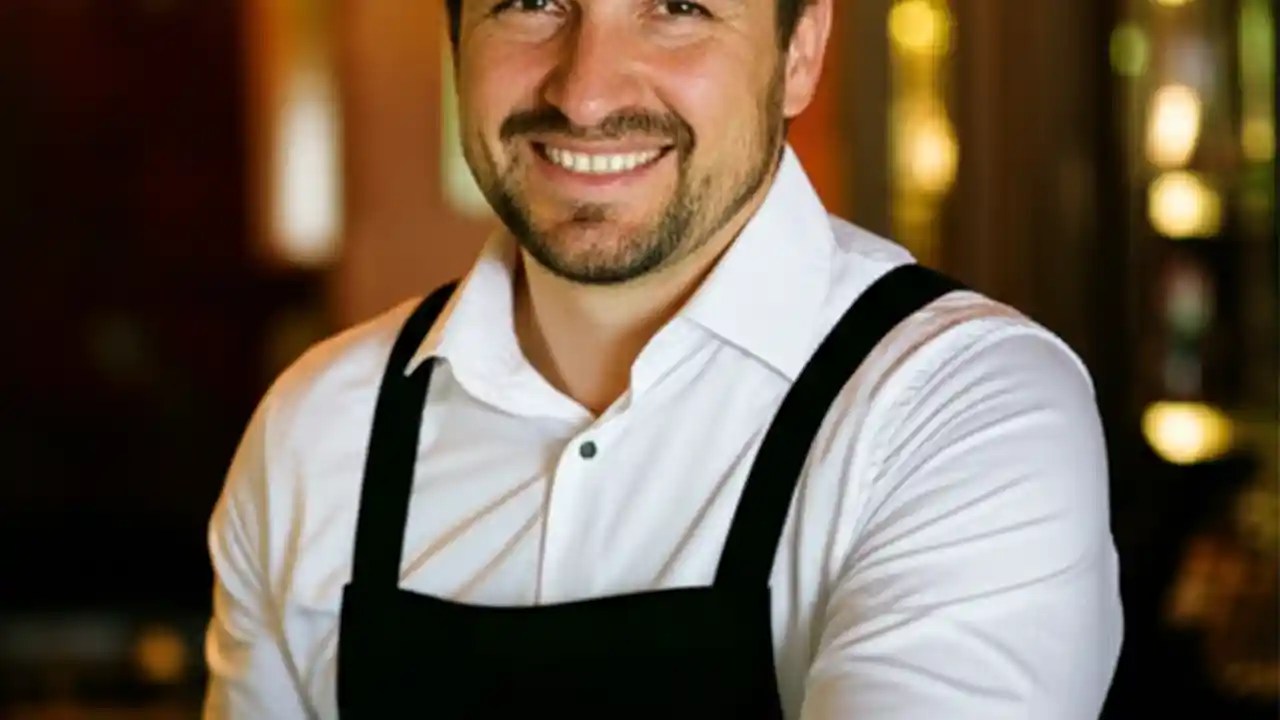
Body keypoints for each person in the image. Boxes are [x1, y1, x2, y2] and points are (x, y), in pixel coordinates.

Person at [203, 0, 1123, 717]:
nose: (587, 92)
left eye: (677, 6)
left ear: (800, 49)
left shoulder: (958, 411)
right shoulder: (319, 431)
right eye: (531, 1)